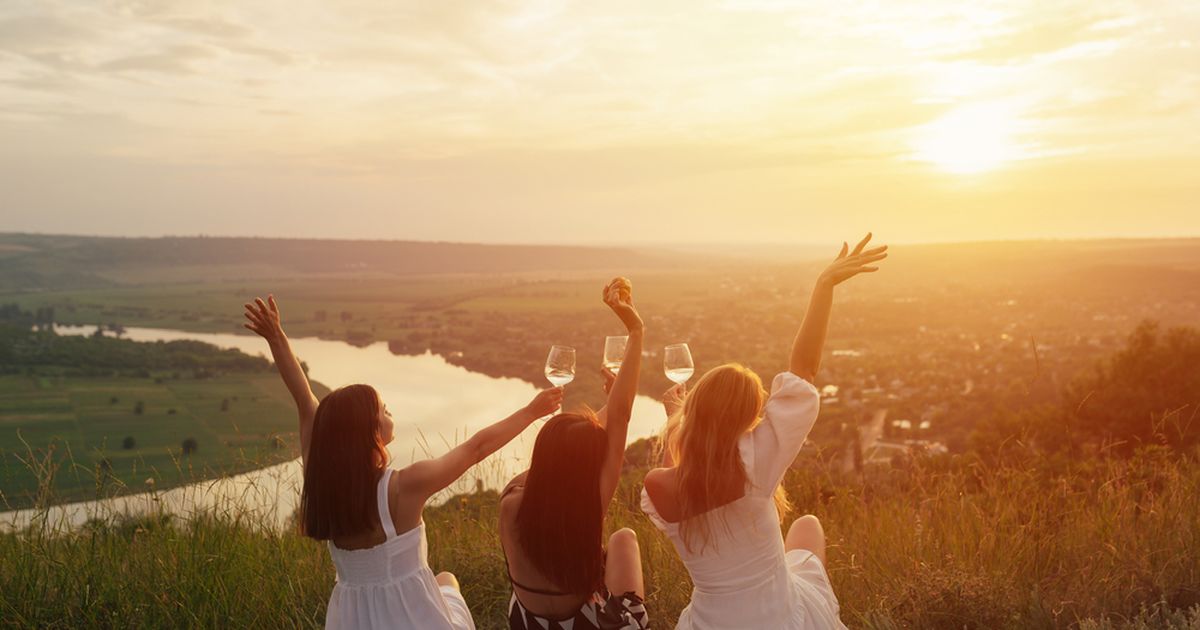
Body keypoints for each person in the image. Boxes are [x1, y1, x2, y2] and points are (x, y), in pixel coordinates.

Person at [243, 296, 563, 630]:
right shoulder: (402, 487)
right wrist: (531, 412)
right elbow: (476, 448)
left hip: (352, 620)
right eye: (383, 409)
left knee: (443, 581)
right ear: (369, 431)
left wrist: (276, 338)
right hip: (414, 621)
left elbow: (305, 401)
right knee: (447, 579)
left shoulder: (323, 482)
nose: (389, 410)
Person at [641, 234, 888, 629]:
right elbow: (804, 369)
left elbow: (681, 471)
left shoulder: (658, 487)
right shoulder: (756, 461)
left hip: (710, 623)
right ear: (745, 420)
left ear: (694, 410)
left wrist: (676, 418)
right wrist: (824, 286)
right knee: (807, 527)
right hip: (778, 618)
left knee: (803, 532)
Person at [499, 277, 650, 630]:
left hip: (527, 621)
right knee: (624, 538)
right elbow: (621, 417)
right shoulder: (590, 503)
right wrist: (636, 330)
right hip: (584, 623)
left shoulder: (511, 502)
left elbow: (578, 443)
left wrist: (609, 405)